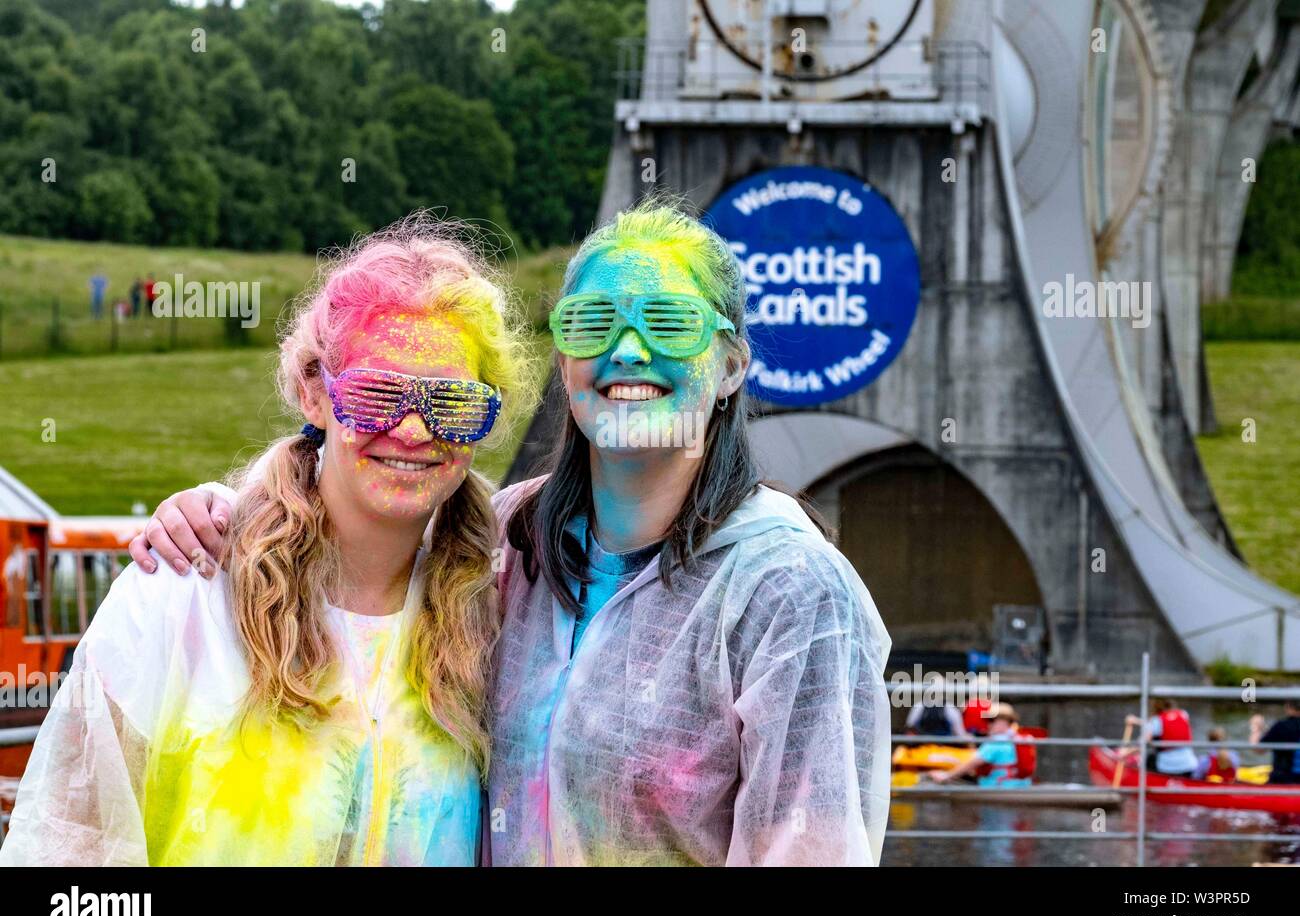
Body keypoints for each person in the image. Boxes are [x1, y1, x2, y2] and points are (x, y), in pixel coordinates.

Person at [127, 200, 894, 866]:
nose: (628, 350)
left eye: (668, 322)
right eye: (594, 322)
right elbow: (358, 512)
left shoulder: (788, 594)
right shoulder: (499, 547)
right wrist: (229, 508)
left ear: (730, 366)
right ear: (565, 362)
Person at [0, 217, 535, 866]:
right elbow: (65, 846)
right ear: (316, 393)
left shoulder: (500, 609)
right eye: (375, 394)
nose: (415, 429)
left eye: (450, 403)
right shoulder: (183, 589)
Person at [927, 702, 1031, 788]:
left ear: (1005, 722)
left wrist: (946, 775)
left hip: (997, 786)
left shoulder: (995, 744)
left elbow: (970, 764)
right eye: (987, 720)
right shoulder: (1018, 738)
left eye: (992, 720)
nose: (988, 724)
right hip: (1021, 785)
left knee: (956, 778)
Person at [1125, 698, 1197, 776]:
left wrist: (1124, 754)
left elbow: (1140, 745)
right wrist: (1136, 721)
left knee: (1150, 758)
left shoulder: (1156, 721)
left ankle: (1145, 781)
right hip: (1189, 765)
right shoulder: (1184, 714)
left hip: (1167, 768)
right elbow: (1165, 724)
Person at [1250, 701, 1300, 784]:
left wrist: (1256, 728)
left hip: (1284, 780)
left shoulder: (1281, 726)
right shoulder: (1280, 727)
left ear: (1288, 707)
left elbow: (1258, 749)